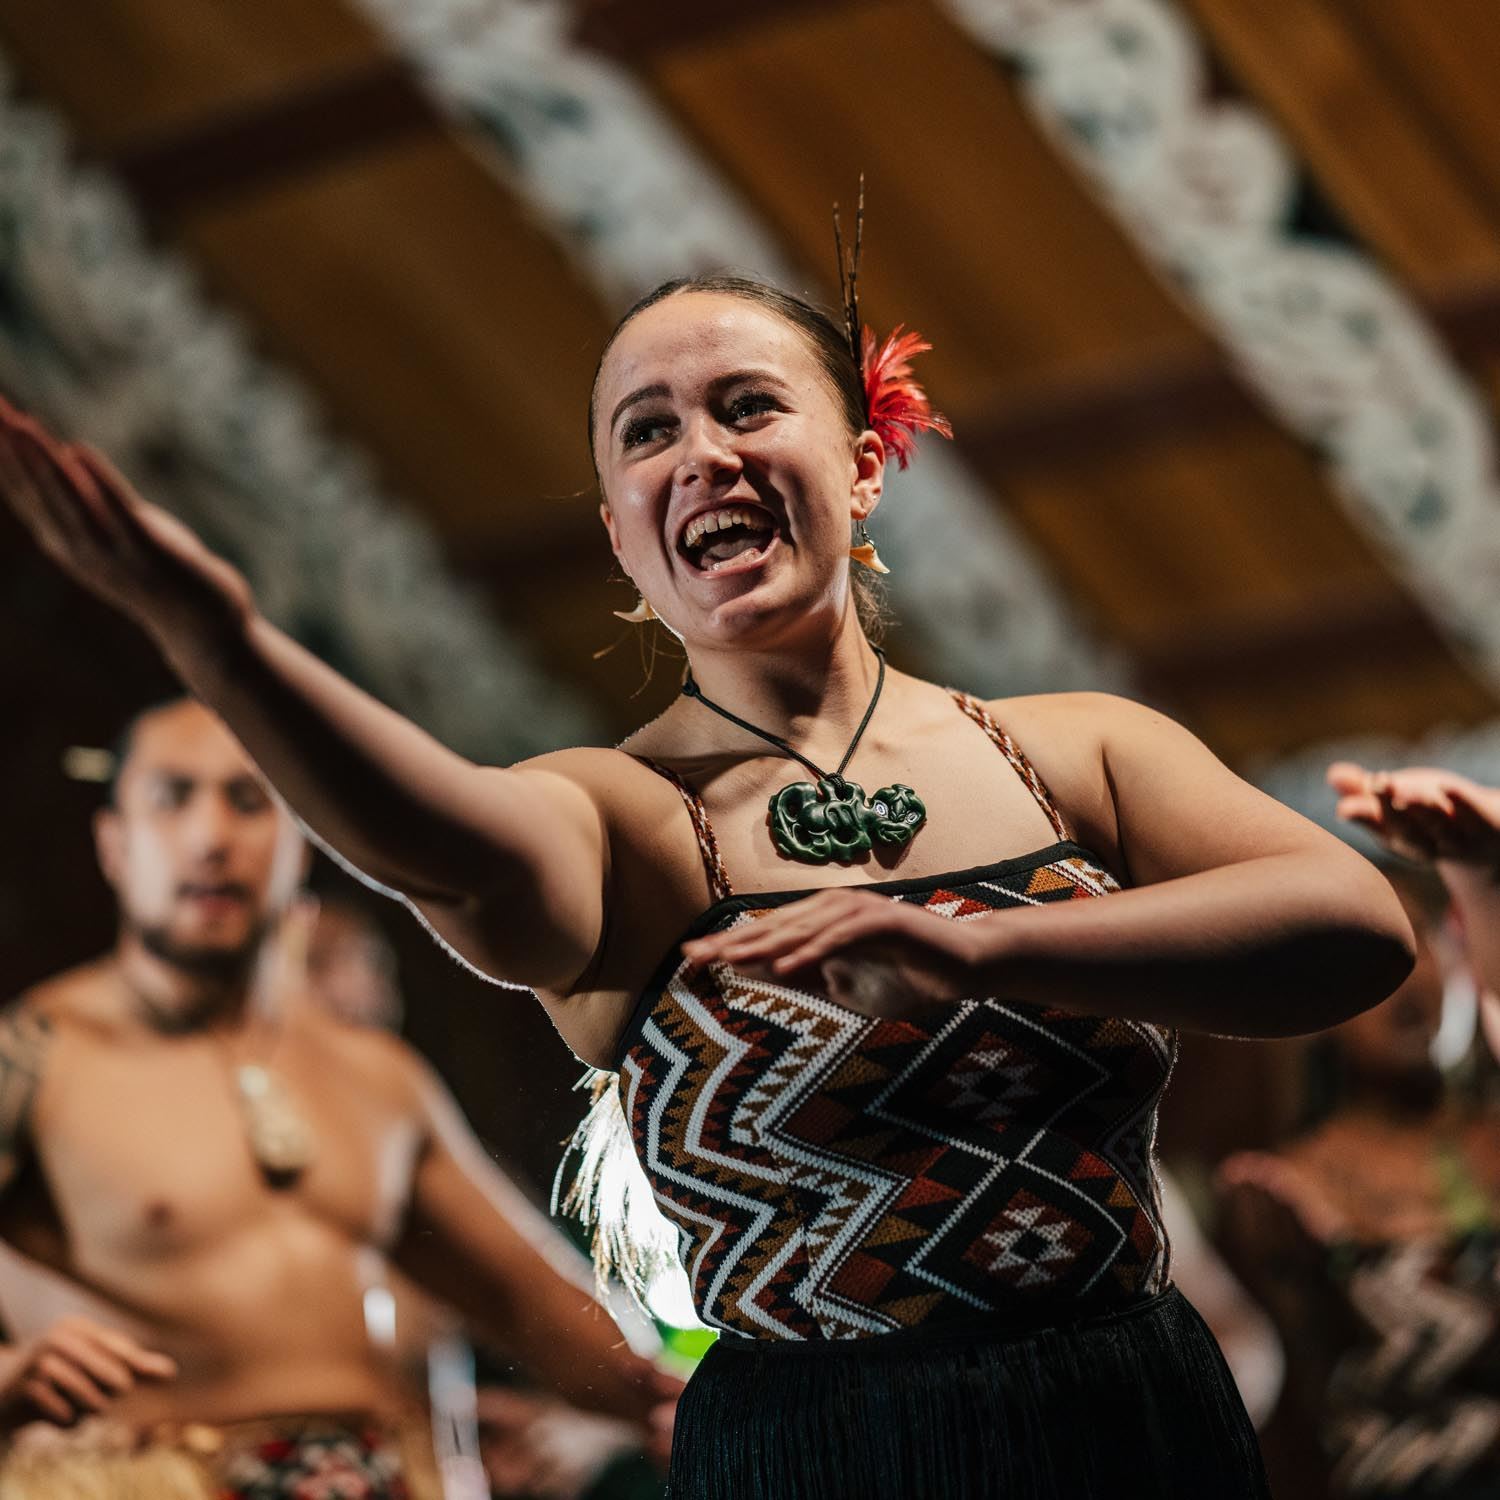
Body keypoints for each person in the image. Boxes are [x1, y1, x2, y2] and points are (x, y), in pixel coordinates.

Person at [0, 268, 1415, 1498]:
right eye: (649, 432)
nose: (702, 453)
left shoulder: (1075, 752)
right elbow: (433, 836)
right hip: (825, 1447)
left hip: (1135, 1413)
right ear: (623, 533)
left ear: (862, 461)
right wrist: (223, 642)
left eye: (747, 405)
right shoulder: (625, 815)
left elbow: (1353, 930)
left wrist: (986, 957)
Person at [0, 697, 675, 1499]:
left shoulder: (378, 1077)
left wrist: (677, 1403)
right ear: (114, 842)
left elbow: (529, 1305)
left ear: (301, 837)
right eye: (172, 798)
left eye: (249, 801)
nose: (211, 838)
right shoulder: (29, 1057)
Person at [1218, 764, 1500, 1498]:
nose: (1409, 977)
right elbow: (1288, 1404)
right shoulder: (1288, 1183)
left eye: (1421, 942)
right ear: (1317, 1002)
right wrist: (1286, 1276)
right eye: (1371, 950)